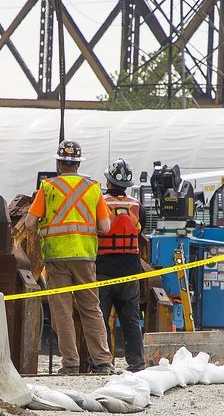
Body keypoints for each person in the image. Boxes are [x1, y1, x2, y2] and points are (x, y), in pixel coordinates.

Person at [23, 140, 117, 374]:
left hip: (56, 258)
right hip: (84, 256)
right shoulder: (93, 188)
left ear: (58, 163)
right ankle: (103, 362)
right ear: (77, 164)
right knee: (91, 309)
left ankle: (70, 364)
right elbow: (105, 227)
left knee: (62, 312)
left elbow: (29, 224)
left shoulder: (48, 187)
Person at [96, 158, 145, 372]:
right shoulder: (136, 206)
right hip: (130, 272)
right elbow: (140, 232)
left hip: (103, 270)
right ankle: (137, 364)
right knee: (131, 321)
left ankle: (103, 363)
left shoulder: (101, 203)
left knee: (100, 319)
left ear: (108, 182)